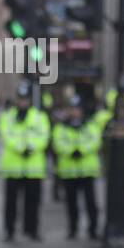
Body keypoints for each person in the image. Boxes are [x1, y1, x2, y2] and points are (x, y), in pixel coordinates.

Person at [0, 80, 49, 241]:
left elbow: (44, 136)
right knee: (11, 203)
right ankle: (9, 231)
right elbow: (6, 135)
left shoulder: (40, 117)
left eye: (25, 98)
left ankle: (31, 230)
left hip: (33, 168)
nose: (22, 102)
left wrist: (31, 147)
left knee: (32, 203)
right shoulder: (7, 117)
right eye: (20, 98)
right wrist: (21, 148)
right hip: (13, 167)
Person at [52, 94, 99, 239]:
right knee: (71, 204)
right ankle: (73, 229)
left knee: (90, 202)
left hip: (87, 170)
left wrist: (82, 150)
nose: (74, 112)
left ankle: (93, 229)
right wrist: (71, 151)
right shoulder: (62, 126)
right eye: (72, 109)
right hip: (69, 171)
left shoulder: (90, 124)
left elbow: (95, 141)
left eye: (77, 109)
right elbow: (58, 143)